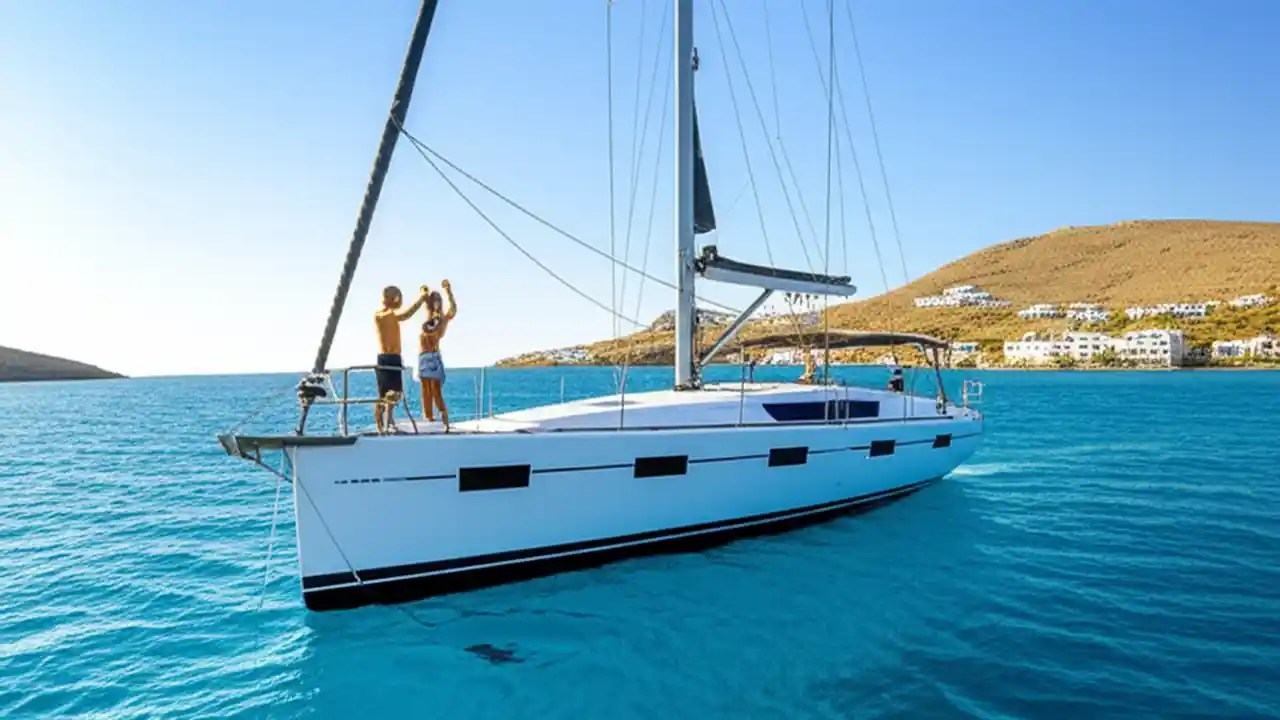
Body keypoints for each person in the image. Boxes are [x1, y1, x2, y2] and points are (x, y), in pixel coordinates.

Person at [374, 284, 429, 433]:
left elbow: (404, 314)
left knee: (396, 393)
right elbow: (406, 314)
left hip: (395, 357)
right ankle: (379, 417)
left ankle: (390, 418)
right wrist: (421, 299)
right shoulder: (380, 315)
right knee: (385, 393)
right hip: (385, 357)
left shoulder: (392, 315)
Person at [417, 279, 457, 428]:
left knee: (435, 389)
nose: (436, 302)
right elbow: (424, 295)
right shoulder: (429, 316)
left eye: (438, 300)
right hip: (422, 356)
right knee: (425, 390)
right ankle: (428, 418)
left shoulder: (442, 318)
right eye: (434, 300)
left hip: (432, 355)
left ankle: (444, 417)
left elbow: (453, 309)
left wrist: (448, 291)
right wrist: (424, 292)